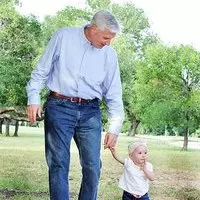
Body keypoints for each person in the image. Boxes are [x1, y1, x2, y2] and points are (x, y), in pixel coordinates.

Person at [26, 10, 124, 200]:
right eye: (106, 37)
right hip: (59, 106)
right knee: (59, 164)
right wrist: (33, 98)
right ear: (93, 28)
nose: (108, 43)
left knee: (93, 166)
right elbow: (41, 70)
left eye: (111, 39)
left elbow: (114, 93)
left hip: (90, 112)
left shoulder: (109, 55)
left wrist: (115, 127)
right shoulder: (64, 36)